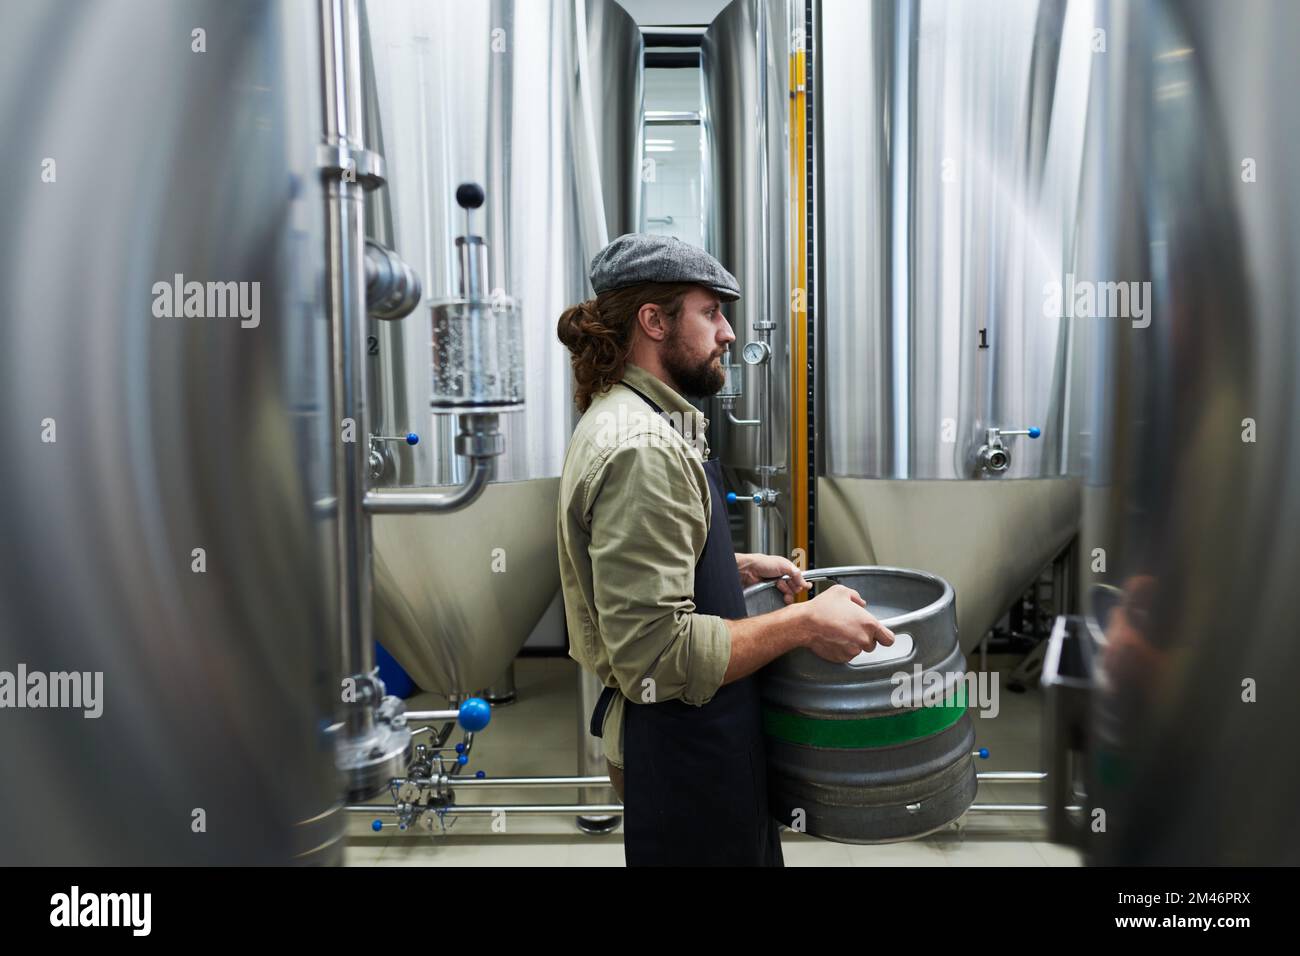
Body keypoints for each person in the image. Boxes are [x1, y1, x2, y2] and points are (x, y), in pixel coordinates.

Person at [555, 233, 894, 866]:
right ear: (653, 322)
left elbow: (640, 571)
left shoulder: (640, 418)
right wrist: (804, 621)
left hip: (702, 741)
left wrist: (737, 566)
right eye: (710, 312)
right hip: (685, 760)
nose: (730, 332)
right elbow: (655, 659)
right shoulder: (643, 449)